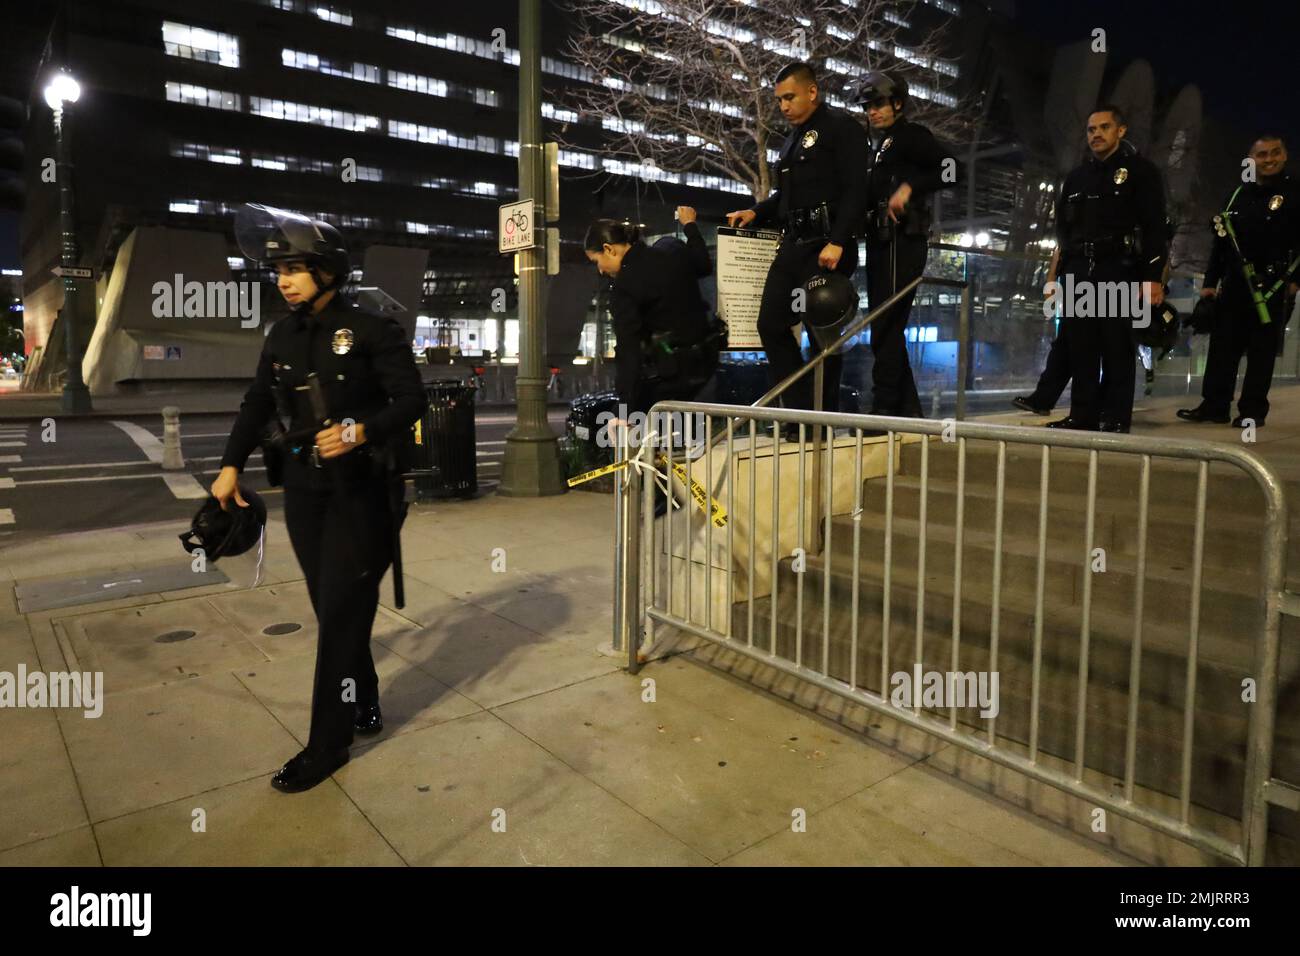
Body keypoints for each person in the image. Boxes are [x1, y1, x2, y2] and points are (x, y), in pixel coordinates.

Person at [214, 204, 425, 793]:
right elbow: (257, 403)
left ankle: (327, 745)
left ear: (329, 270)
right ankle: (364, 694)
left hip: (365, 494)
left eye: (296, 267)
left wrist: (360, 430)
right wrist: (230, 467)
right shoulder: (281, 333)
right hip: (306, 494)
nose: (283, 279)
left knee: (339, 614)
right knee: (333, 608)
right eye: (278, 268)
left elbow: (411, 402)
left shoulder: (374, 330)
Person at [726, 61, 869, 414]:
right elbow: (786, 198)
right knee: (770, 324)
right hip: (793, 246)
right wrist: (757, 212)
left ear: (812, 92)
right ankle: (800, 410)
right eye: (779, 100)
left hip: (826, 246)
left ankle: (821, 416)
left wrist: (838, 239)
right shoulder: (791, 140)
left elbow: (856, 189)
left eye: (789, 97)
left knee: (824, 335)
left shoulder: (841, 128)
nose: (783, 106)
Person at [1046, 105, 1167, 432]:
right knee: (1080, 347)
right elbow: (1063, 231)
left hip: (1120, 268)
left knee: (1117, 346)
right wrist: (1058, 278)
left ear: (1120, 131)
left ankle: (1115, 417)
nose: (1096, 134)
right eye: (1091, 130)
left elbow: (1155, 227)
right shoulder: (1077, 177)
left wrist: (1152, 278)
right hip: (1079, 270)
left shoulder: (1141, 171)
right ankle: (1082, 415)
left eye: (1104, 127)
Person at [853, 70, 956, 419]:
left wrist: (911, 186)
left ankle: (884, 407)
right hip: (881, 240)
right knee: (884, 326)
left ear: (897, 103)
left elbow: (953, 169)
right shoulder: (878, 147)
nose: (873, 111)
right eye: (868, 106)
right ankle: (907, 410)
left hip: (903, 239)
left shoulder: (911, 136)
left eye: (879, 103)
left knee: (885, 325)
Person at [1178, 133, 1300, 428]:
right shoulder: (1237, 195)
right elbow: (1221, 244)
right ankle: (1214, 406)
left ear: (1284, 156)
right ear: (1251, 159)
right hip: (1234, 284)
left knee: (1262, 352)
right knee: (1223, 348)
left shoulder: (1296, 194)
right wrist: (1210, 282)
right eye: (1262, 154)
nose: (1268, 159)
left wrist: (1295, 281)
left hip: (1273, 285)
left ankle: (1252, 412)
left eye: (1274, 153)